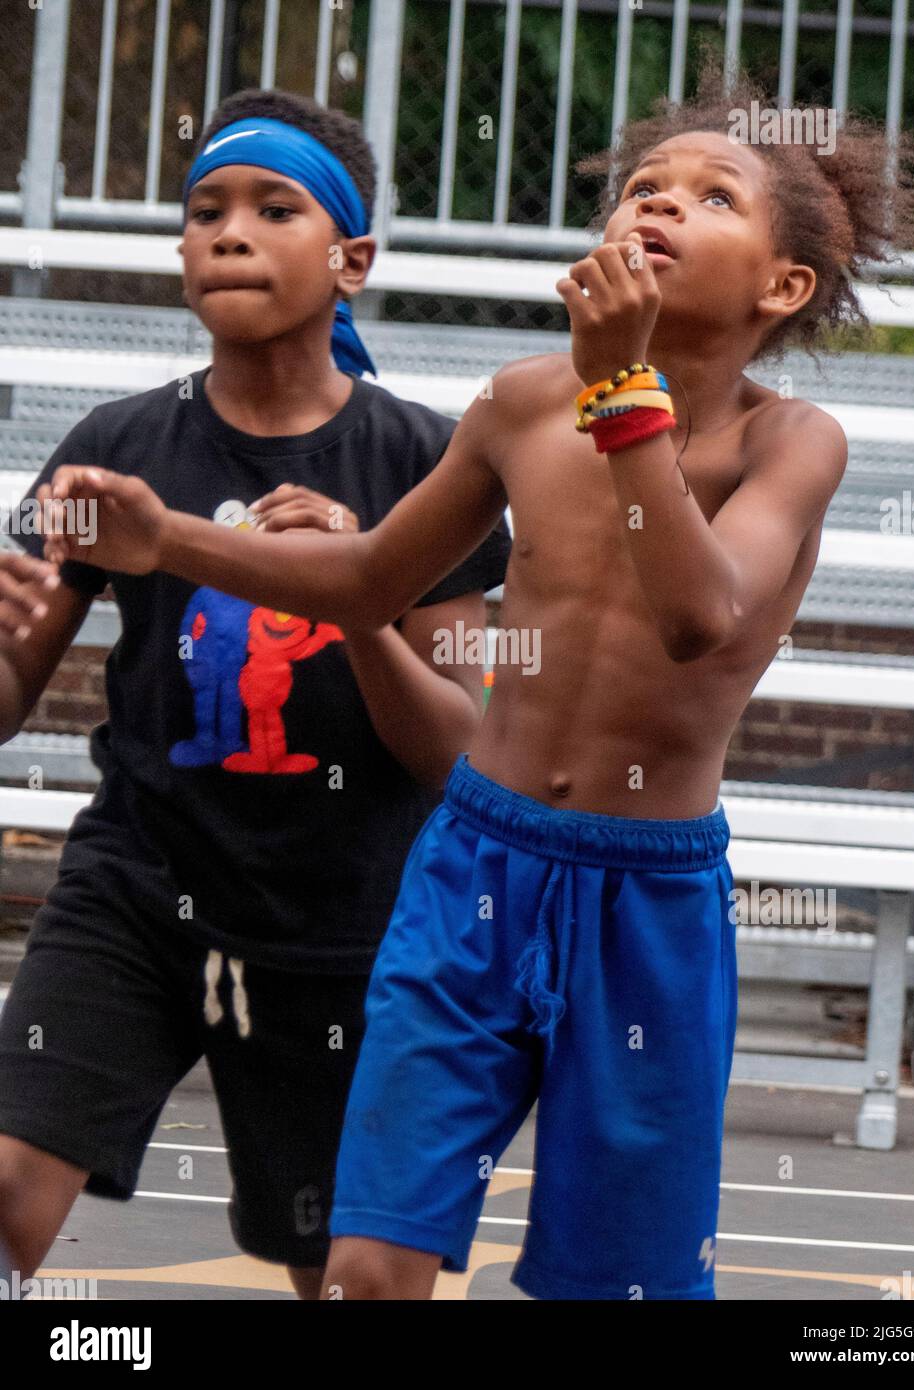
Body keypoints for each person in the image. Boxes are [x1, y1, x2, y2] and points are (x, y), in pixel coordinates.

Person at [36, 60, 914, 1300]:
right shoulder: (519, 405)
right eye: (639, 190)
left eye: (709, 197)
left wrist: (627, 390)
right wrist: (168, 540)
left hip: (647, 903)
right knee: (370, 1260)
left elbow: (698, 615)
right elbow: (364, 581)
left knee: (613, 1286)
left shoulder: (793, 443)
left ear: (783, 286)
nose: (653, 208)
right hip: (475, 866)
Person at [0, 87, 510, 1300]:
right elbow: (9, 695)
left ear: (354, 259)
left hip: (344, 924)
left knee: (352, 1281)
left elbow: (461, 755)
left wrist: (359, 595)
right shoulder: (118, 447)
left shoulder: (423, 467)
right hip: (139, 886)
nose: (229, 232)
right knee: (9, 1181)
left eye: (274, 208)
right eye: (205, 210)